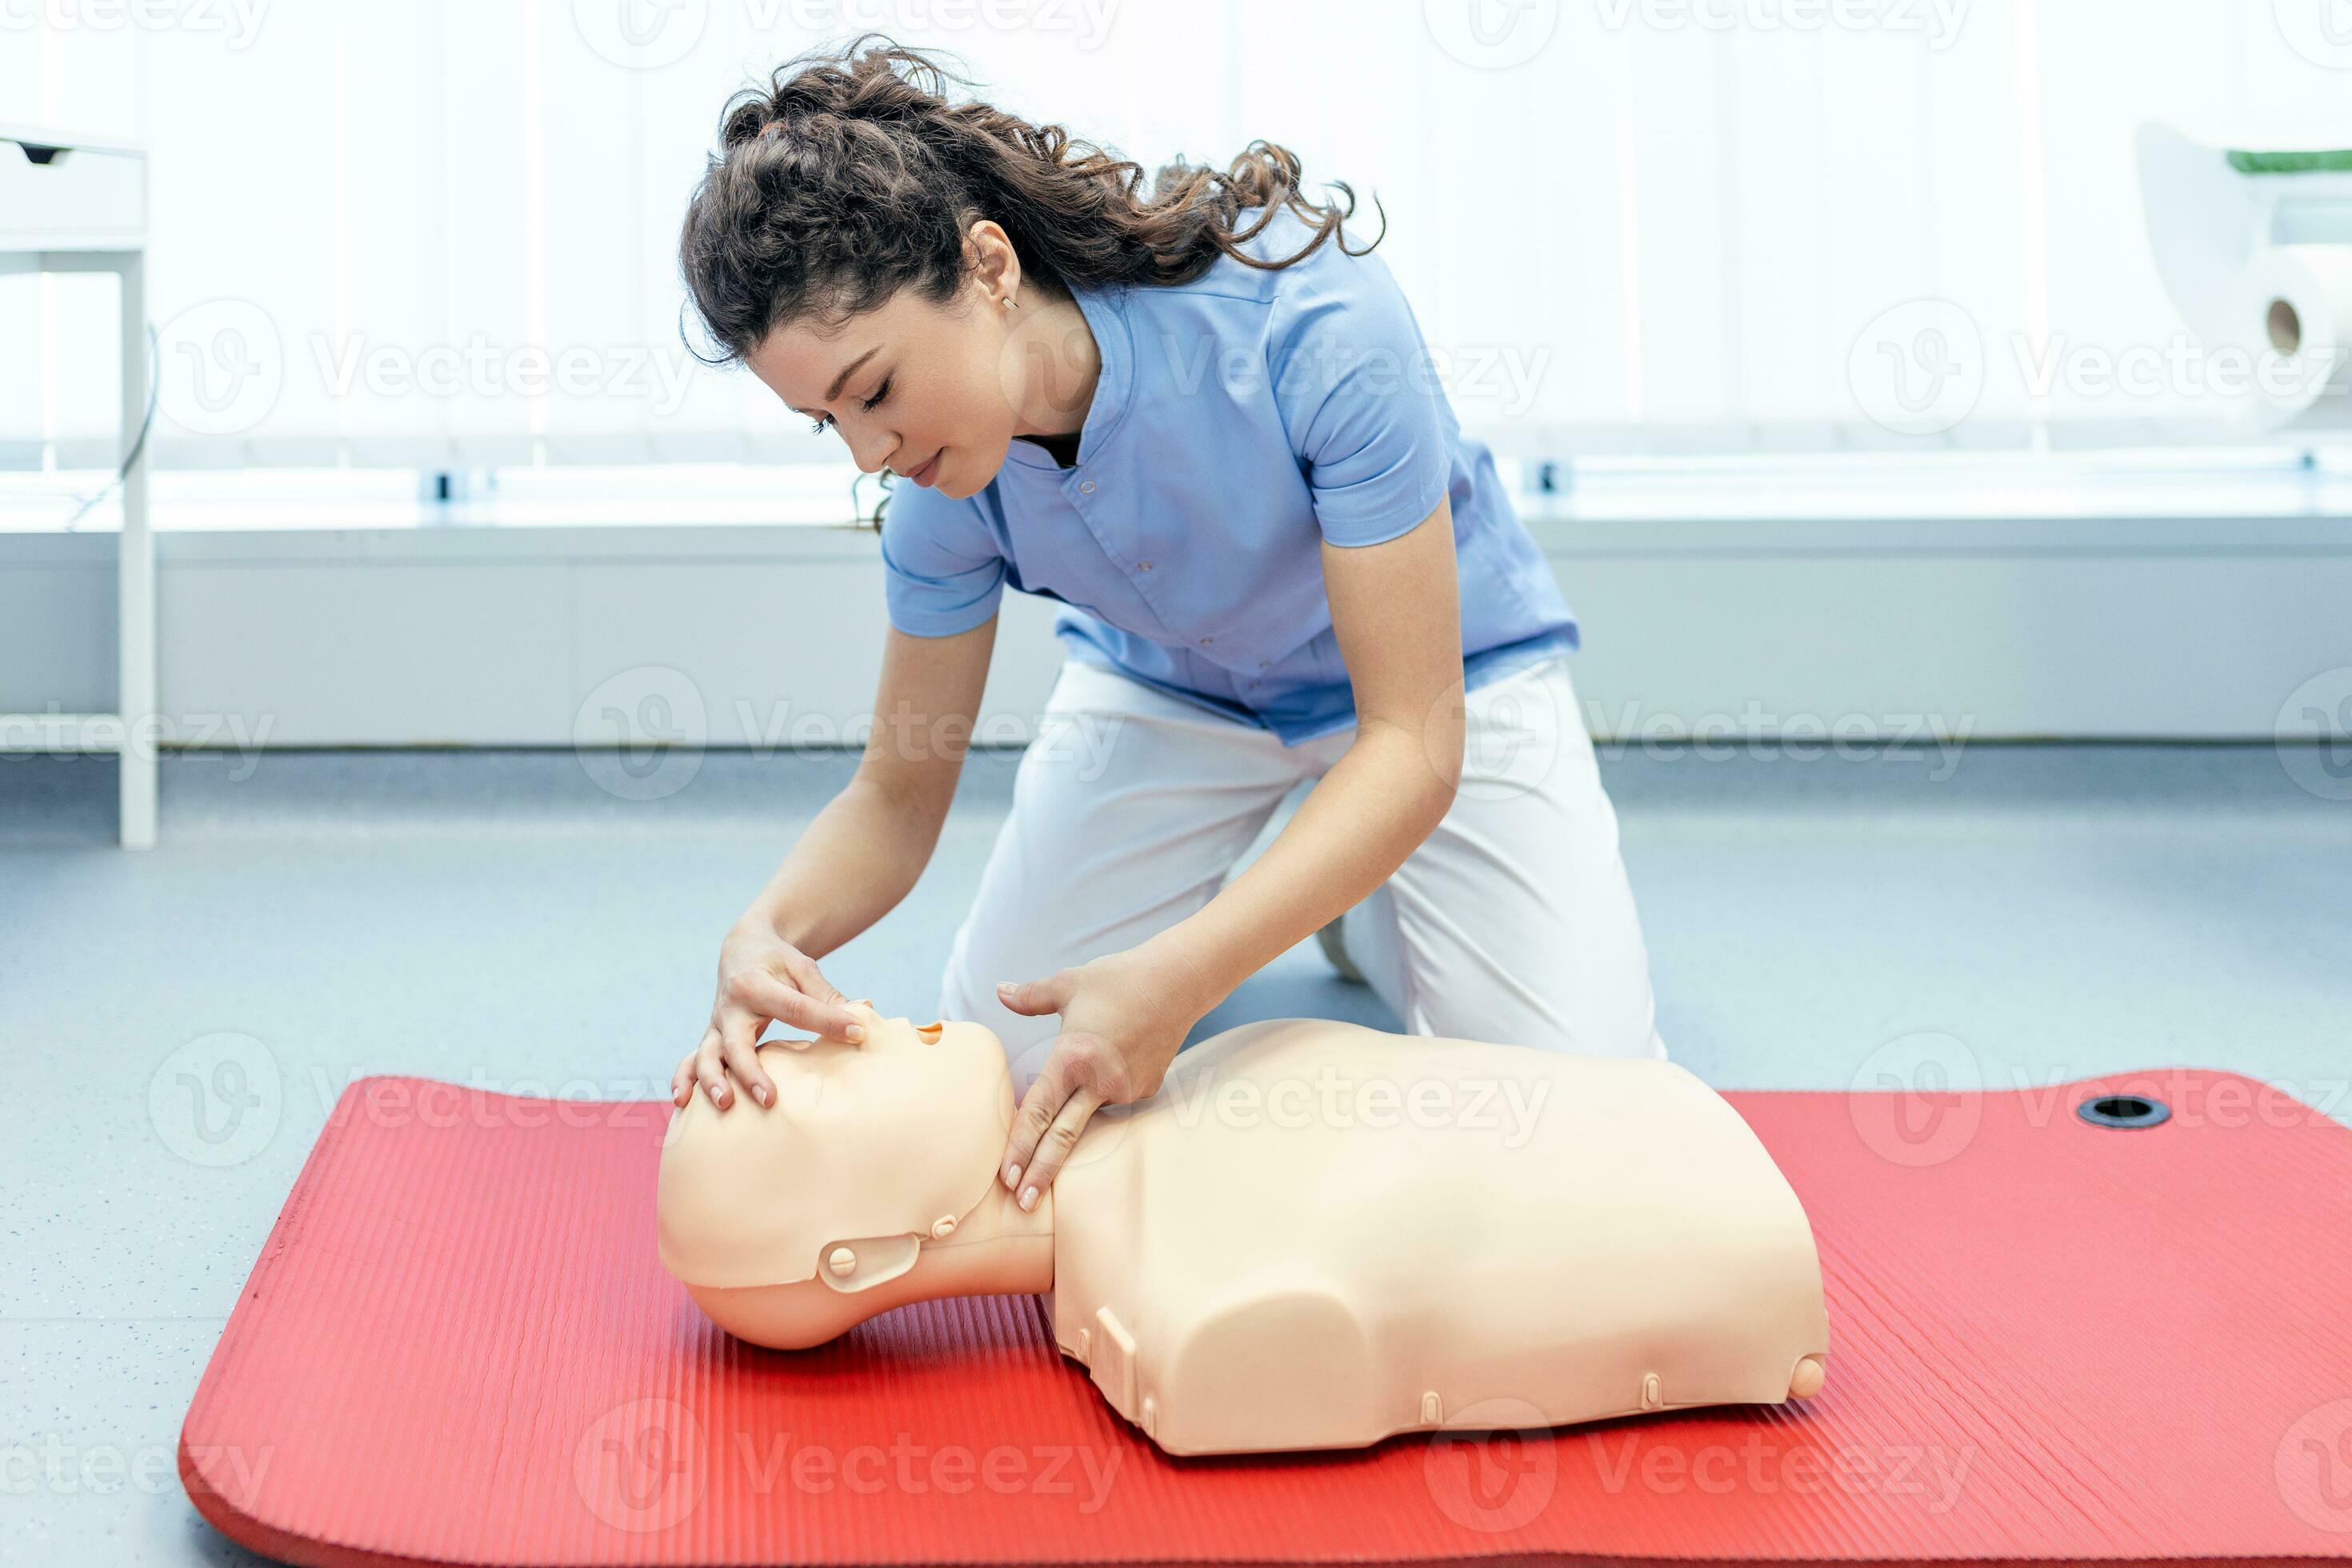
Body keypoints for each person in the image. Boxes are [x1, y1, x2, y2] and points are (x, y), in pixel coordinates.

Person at [666, 37, 1669, 1214]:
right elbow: (895, 798)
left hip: (1437, 695)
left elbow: (1412, 743)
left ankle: (1358, 902)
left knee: (1587, 1140)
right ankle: (1327, 879)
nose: (870, 453)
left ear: (985, 265)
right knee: (1015, 1073)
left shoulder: (1315, 324)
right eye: (825, 421)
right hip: (1177, 693)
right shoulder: (941, 483)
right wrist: (764, 931)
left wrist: (1187, 977)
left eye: (876, 390)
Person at [656, 1005, 1828, 1458]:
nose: (854, 1017)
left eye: (820, 1031)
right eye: (823, 1075)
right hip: (1740, 1234)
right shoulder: (1196, 1298)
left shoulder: (1175, 1103)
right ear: (865, 1257)